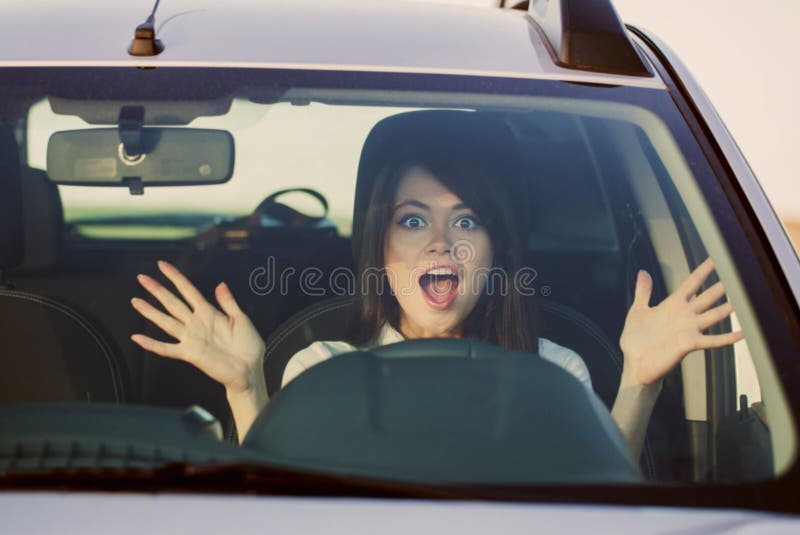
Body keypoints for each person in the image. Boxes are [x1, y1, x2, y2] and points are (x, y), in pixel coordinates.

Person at [130, 146, 742, 458]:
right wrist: (244, 387)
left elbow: (603, 514)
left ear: (496, 254)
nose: (441, 243)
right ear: (381, 249)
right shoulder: (320, 370)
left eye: (468, 222)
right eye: (414, 220)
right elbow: (279, 512)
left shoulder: (555, 374)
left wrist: (639, 383)